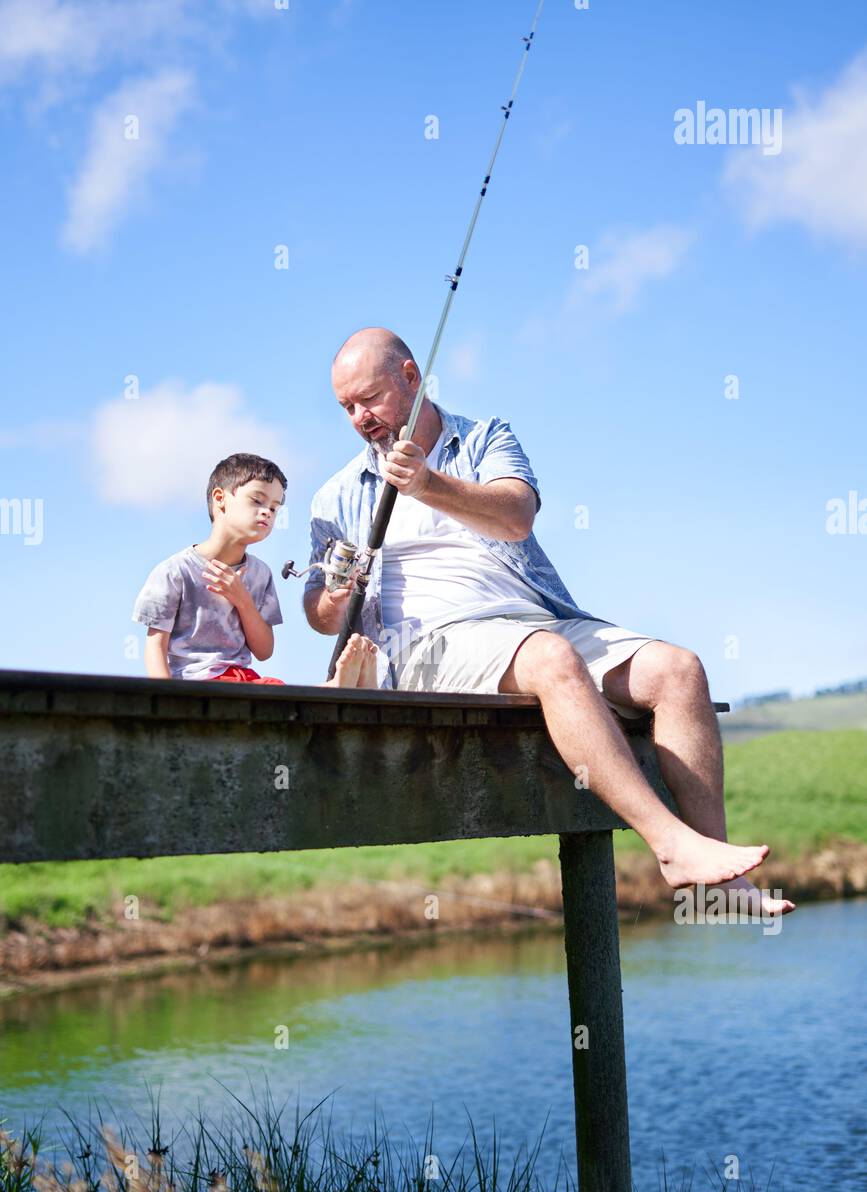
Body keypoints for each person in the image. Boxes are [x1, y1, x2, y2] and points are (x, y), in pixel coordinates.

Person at [303, 327, 795, 917]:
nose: (360, 417)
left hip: (533, 621)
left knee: (679, 669)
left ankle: (720, 878)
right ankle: (671, 847)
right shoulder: (335, 496)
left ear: (411, 377)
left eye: (369, 398)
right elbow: (320, 616)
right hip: (429, 645)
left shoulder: (485, 437)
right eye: (346, 408)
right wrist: (337, 591)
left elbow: (516, 516)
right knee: (549, 659)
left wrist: (428, 484)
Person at [133, 452, 378, 688]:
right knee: (273, 697)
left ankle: (340, 689)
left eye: (274, 508)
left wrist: (242, 600)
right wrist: (169, 700)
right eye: (257, 500)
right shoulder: (174, 572)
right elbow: (155, 648)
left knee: (272, 689)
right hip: (195, 686)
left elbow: (264, 651)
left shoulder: (261, 574)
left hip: (244, 680)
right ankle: (335, 690)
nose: (267, 513)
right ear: (220, 499)